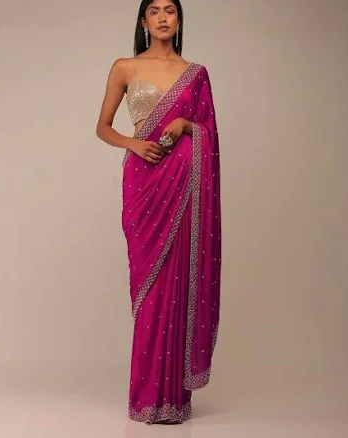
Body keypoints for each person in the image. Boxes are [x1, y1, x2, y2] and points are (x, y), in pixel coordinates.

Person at [96, 0, 221, 425]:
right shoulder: (125, 67)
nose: (163, 17)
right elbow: (102, 127)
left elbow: (209, 131)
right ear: (143, 21)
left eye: (171, 10)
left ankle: (172, 400)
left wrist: (186, 126)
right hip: (143, 184)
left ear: (179, 19)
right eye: (155, 11)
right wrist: (134, 143)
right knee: (149, 286)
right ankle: (147, 397)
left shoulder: (196, 74)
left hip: (183, 184)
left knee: (177, 279)